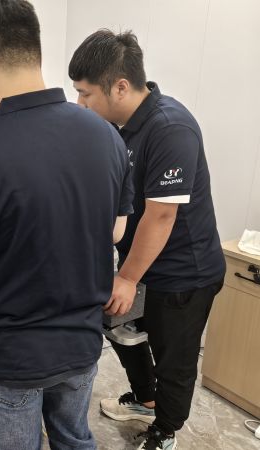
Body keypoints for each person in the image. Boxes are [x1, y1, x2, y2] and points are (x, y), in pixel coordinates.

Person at [0, 2, 134, 449]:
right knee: (74, 440)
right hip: (80, 345)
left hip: (8, 360)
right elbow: (115, 232)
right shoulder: (107, 136)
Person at [69, 29, 226, 450]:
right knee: (122, 328)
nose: (80, 103)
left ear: (120, 87)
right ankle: (145, 398)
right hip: (141, 262)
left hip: (184, 272)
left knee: (174, 357)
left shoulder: (170, 128)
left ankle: (165, 431)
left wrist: (127, 278)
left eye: (85, 94)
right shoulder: (119, 127)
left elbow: (161, 215)